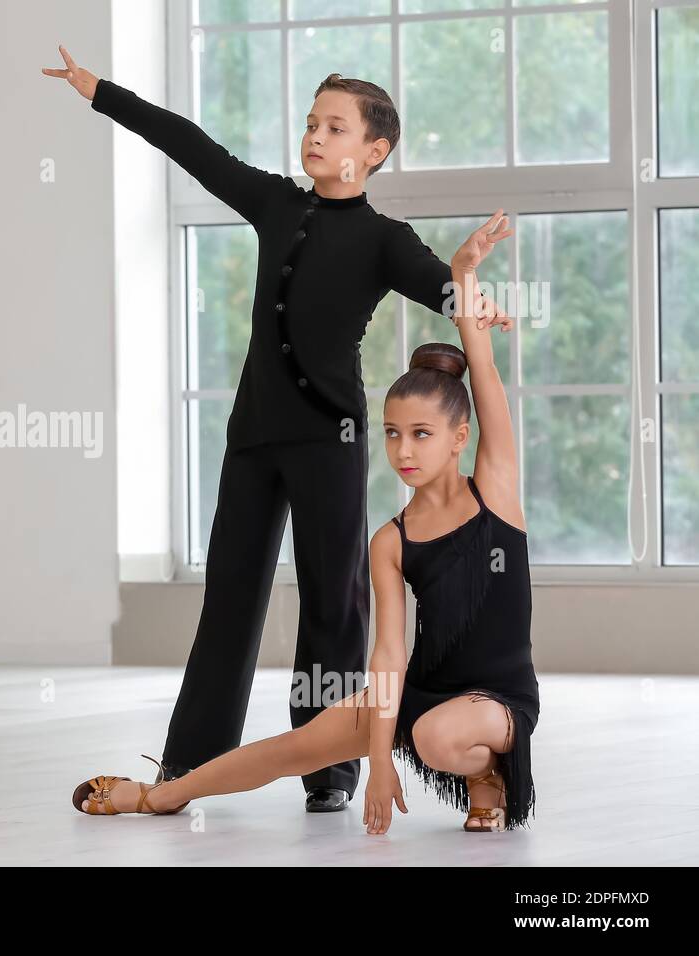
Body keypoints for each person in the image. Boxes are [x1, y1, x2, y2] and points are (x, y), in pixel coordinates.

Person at [44, 46, 513, 811]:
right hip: (254, 437)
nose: (316, 137)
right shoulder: (274, 202)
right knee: (229, 598)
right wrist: (101, 92)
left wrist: (479, 301)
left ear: (375, 150)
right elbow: (190, 145)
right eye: (311, 124)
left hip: (330, 442)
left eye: (335, 127)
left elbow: (443, 288)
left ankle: (330, 771)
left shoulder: (383, 239)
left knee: (333, 602)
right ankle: (187, 764)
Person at [72, 210, 540, 834]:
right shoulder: (391, 540)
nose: (403, 451)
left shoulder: (496, 494)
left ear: (459, 437)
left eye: (422, 434)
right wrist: (378, 759)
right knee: (295, 747)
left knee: (433, 737)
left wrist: (462, 274)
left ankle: (490, 777)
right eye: (392, 433)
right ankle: (160, 795)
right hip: (423, 692)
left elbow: (483, 371)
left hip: (496, 702)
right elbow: (389, 654)